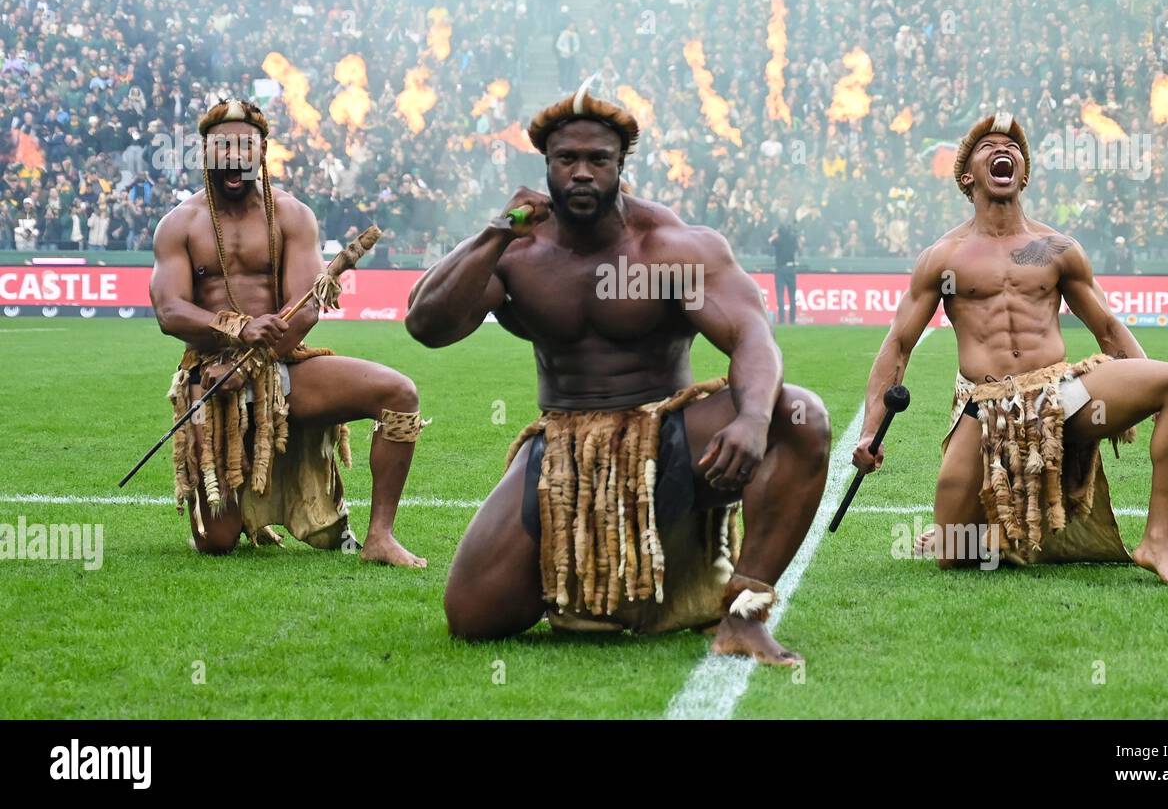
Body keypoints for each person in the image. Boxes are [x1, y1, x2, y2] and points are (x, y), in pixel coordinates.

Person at [406, 80, 831, 664]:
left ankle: (745, 616)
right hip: (564, 451)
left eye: (597, 160)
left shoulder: (669, 245)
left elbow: (751, 334)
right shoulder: (515, 250)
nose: (582, 173)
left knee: (798, 415)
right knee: (473, 617)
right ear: (546, 166)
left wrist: (753, 417)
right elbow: (426, 326)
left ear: (621, 164)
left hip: (672, 443)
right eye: (567, 160)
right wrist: (497, 229)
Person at [852, 113, 1168, 588]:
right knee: (954, 554)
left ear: (1023, 173)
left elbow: (1107, 327)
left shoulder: (1057, 249)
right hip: (985, 404)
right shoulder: (943, 257)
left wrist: (1147, 391)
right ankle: (975, 533)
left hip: (1060, 396)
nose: (1005, 150)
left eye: (1014, 147)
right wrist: (871, 433)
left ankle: (1156, 543)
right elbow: (898, 345)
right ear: (967, 176)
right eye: (989, 146)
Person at [149, 98, 427, 566]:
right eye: (222, 147)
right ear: (206, 155)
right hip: (212, 375)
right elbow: (169, 311)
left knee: (398, 394)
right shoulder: (180, 224)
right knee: (217, 542)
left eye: (244, 146)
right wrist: (234, 332)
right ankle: (241, 511)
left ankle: (380, 537)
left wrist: (254, 359)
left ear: (261, 153)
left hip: (283, 364)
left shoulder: (293, 216)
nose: (233, 156)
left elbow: (305, 308)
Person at [770, 208, 799, 325]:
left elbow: (770, 241)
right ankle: (792, 320)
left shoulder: (778, 240)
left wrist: (775, 234)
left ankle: (782, 320)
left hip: (781, 268)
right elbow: (797, 246)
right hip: (791, 268)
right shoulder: (792, 239)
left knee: (780, 297)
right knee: (792, 297)